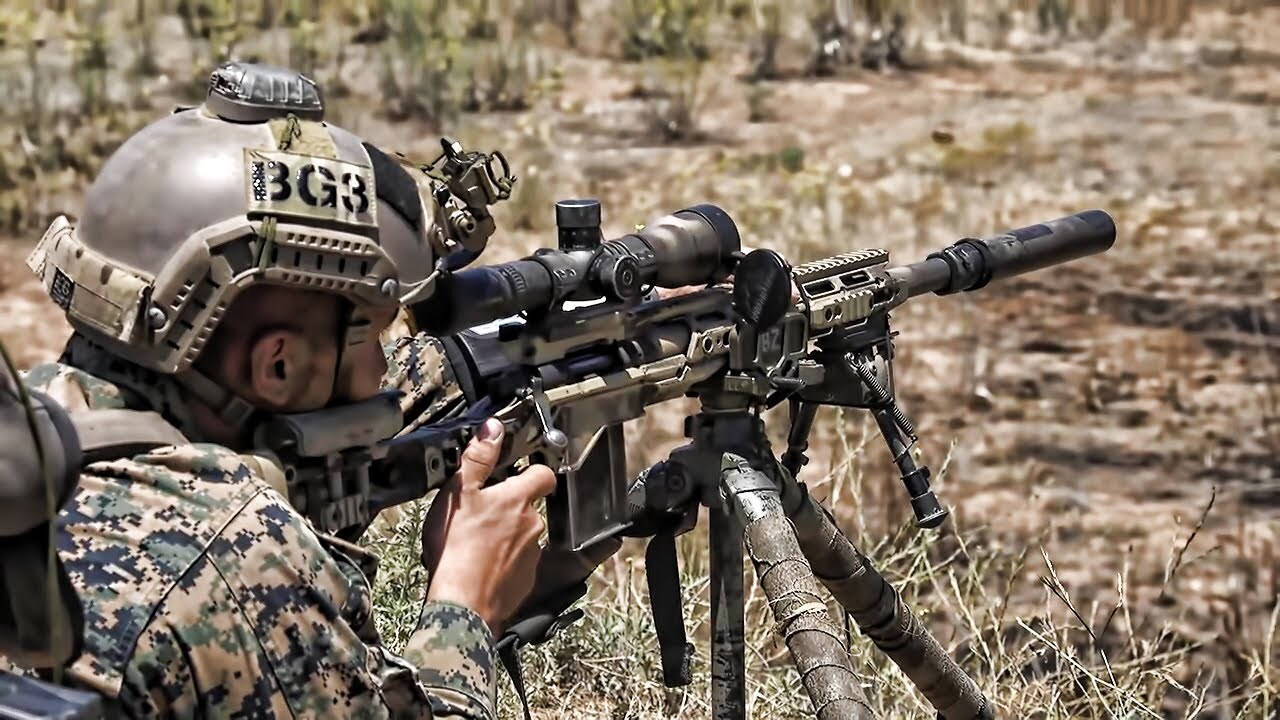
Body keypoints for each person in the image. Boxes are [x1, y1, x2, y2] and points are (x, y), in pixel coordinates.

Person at [4, 63, 568, 719]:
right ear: (278, 366)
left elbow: (375, 406)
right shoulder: (241, 563)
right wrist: (466, 608)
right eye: (374, 338)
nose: (387, 367)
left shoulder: (37, 433)